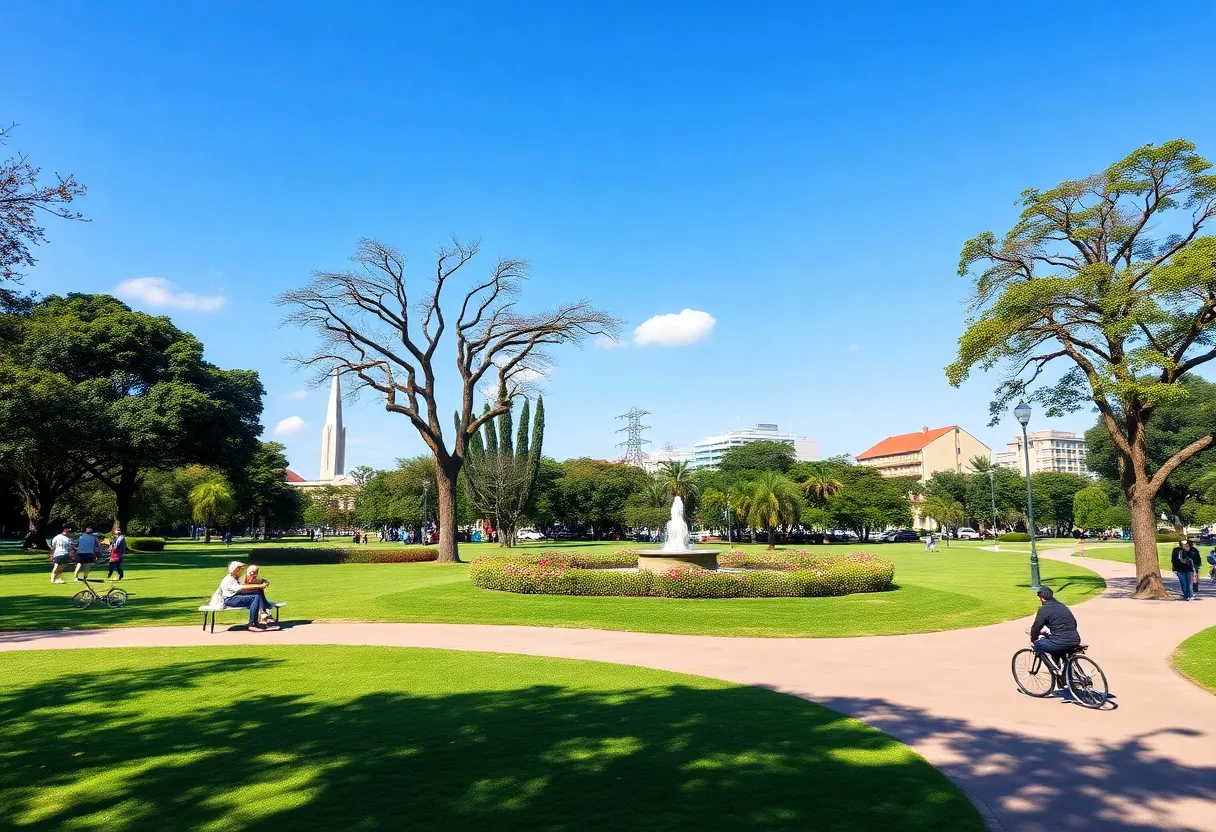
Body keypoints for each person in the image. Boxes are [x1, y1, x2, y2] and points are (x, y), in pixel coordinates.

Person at [210, 561, 276, 631]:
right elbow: (242, 588)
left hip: (235, 596)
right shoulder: (229, 579)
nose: (241, 571)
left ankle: (264, 612)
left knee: (258, 592)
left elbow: (246, 584)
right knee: (255, 597)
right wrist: (259, 585)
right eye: (239, 569)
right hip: (229, 600)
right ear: (235, 570)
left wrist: (260, 583)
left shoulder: (235, 577)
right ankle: (252, 624)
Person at [1030, 586, 1081, 671]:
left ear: (1042, 598)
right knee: (1056, 644)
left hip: (1059, 642)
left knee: (1038, 645)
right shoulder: (1062, 606)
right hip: (1075, 639)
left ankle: (1055, 670)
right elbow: (1073, 622)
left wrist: (1034, 639)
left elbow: (1036, 627)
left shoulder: (1044, 609)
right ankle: (1064, 670)